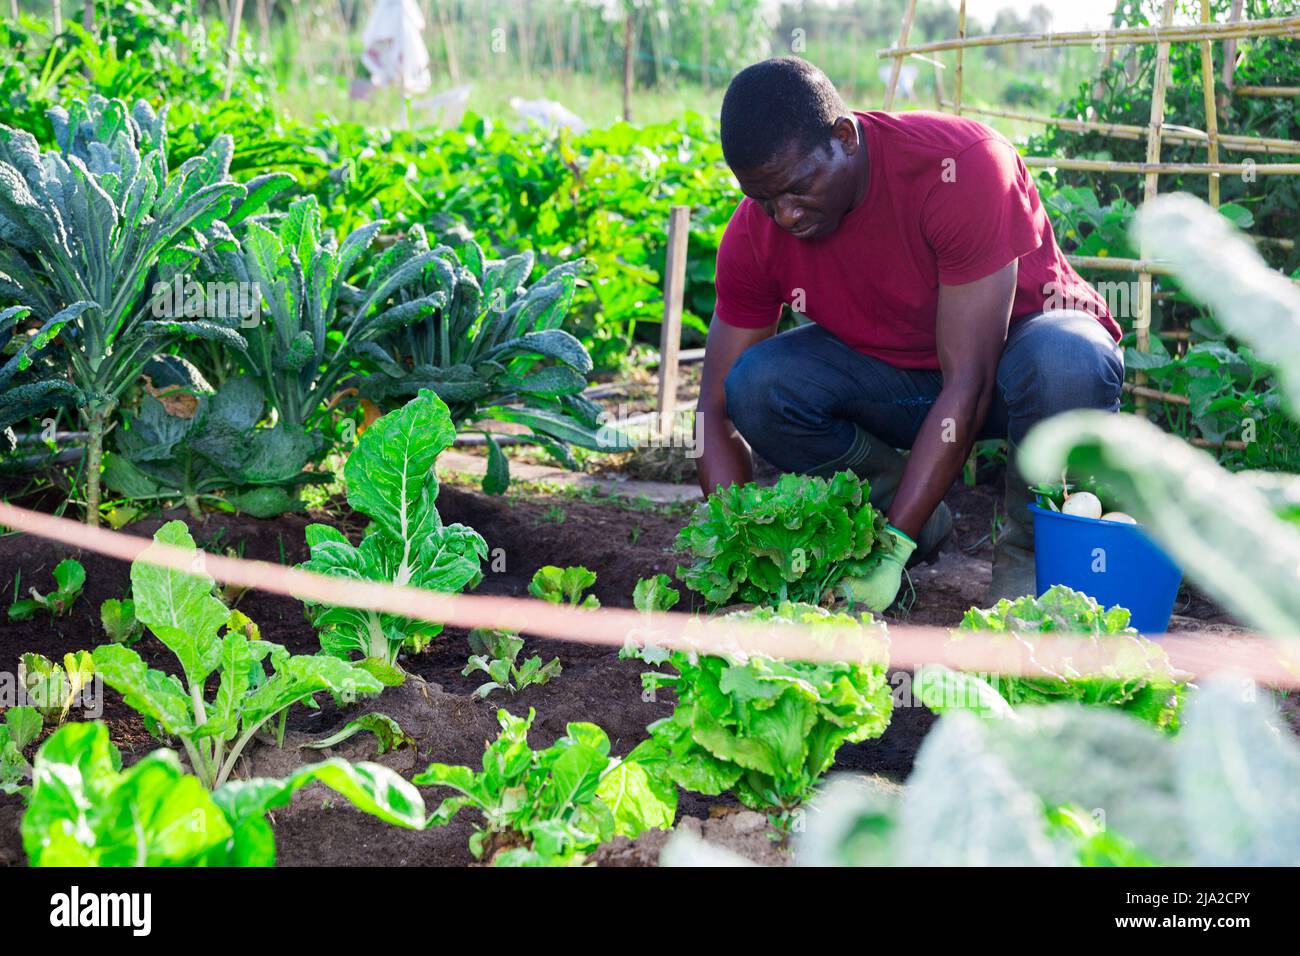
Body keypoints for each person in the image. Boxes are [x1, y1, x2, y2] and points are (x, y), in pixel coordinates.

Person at [695, 57, 1123, 612]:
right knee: (756, 384)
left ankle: (1032, 558)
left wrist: (892, 554)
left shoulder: (960, 167)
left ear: (844, 137)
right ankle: (898, 514)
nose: (785, 216)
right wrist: (740, 544)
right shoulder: (756, 235)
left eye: (799, 188)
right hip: (902, 386)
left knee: (1068, 359)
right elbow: (714, 407)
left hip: (1012, 372)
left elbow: (969, 380)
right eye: (764, 199)